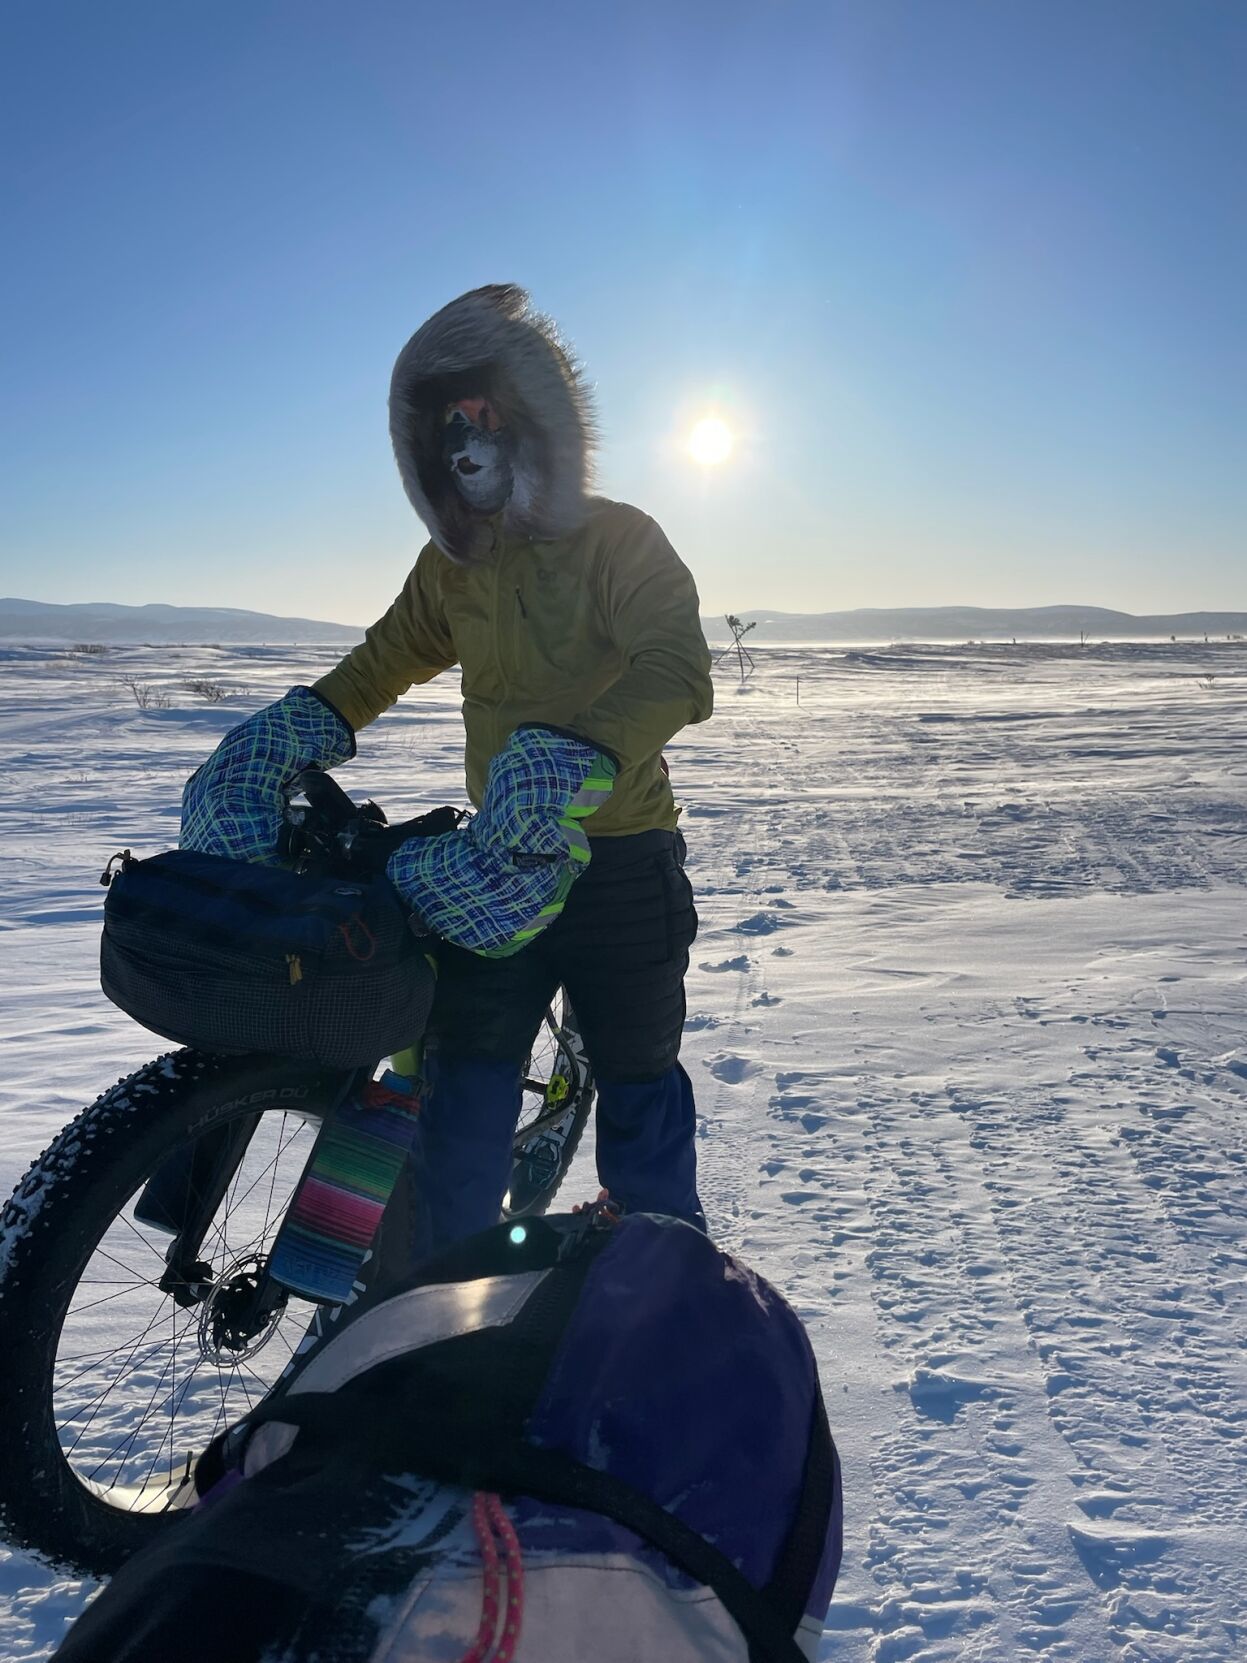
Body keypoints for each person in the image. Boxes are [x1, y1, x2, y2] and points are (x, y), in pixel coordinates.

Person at [181, 284, 713, 1254]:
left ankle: (659, 1297)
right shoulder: (452, 569)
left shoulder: (618, 540)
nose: (467, 441)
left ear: (537, 416)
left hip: (619, 864)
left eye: (486, 412)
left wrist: (576, 753)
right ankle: (436, 1317)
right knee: (456, 1091)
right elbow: (385, 657)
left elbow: (675, 666)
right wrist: (298, 726)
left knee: (640, 1086)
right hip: (495, 875)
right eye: (446, 425)